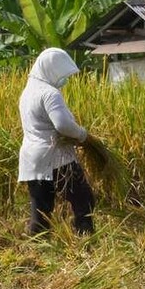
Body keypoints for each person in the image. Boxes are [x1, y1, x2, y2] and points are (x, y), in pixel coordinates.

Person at [18, 47, 96, 236]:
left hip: (32, 160)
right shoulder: (49, 93)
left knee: (41, 209)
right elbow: (63, 125)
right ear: (50, 70)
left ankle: (36, 249)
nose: (62, 79)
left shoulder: (27, 93)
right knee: (84, 199)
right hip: (57, 157)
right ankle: (85, 239)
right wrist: (82, 135)